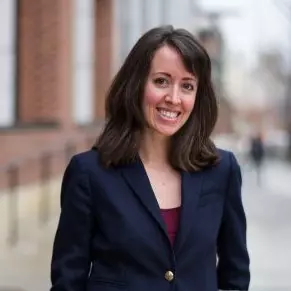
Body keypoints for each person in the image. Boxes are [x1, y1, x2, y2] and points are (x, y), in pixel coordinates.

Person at [50, 25, 250, 291]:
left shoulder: (222, 171)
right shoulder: (89, 173)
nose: (174, 98)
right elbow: (68, 281)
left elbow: (235, 277)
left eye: (187, 86)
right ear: (136, 84)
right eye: (161, 81)